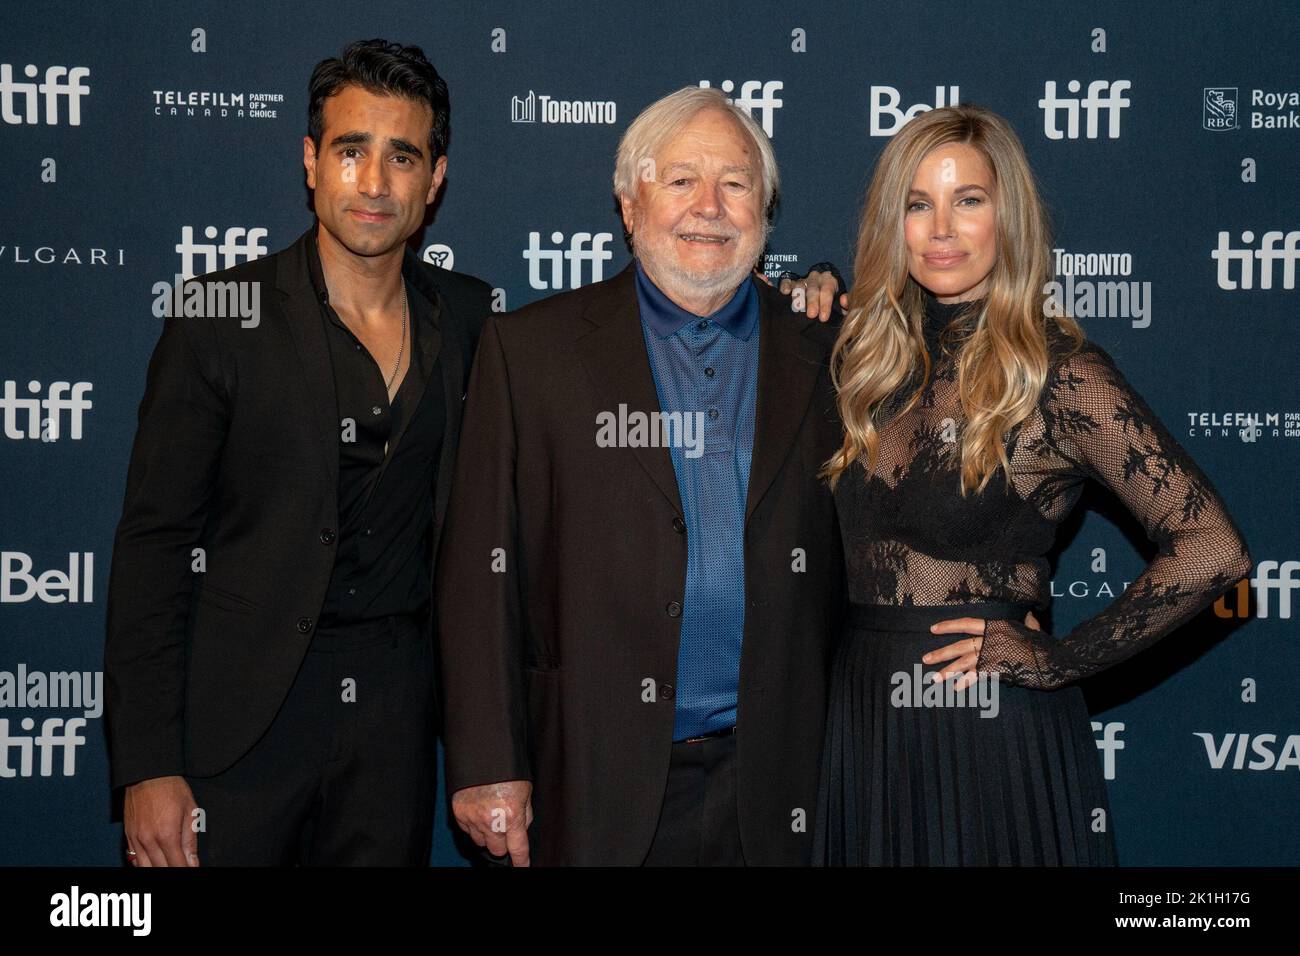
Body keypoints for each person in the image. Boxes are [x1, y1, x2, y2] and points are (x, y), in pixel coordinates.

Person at [812, 103, 1252, 865]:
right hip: (862, 723)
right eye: (918, 204)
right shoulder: (864, 362)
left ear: (1008, 218)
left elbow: (1214, 548)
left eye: (968, 200)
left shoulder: (1058, 374)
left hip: (984, 730)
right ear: (896, 224)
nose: (942, 227)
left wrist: (1058, 660)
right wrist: (809, 282)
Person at [435, 86, 851, 866]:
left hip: (787, 781)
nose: (710, 206)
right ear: (629, 205)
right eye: (680, 179)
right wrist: (490, 764)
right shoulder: (530, 353)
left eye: (736, 183)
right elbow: (477, 577)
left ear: (764, 212)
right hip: (593, 776)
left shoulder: (832, 353)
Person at [104, 39, 493, 866]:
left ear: (437, 177)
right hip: (238, 729)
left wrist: (796, 294)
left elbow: (612, 341)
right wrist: (147, 766)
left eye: (403, 157)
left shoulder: (474, 320)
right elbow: (155, 549)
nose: (376, 183)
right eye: (352, 151)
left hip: (393, 729)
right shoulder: (220, 318)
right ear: (312, 161)